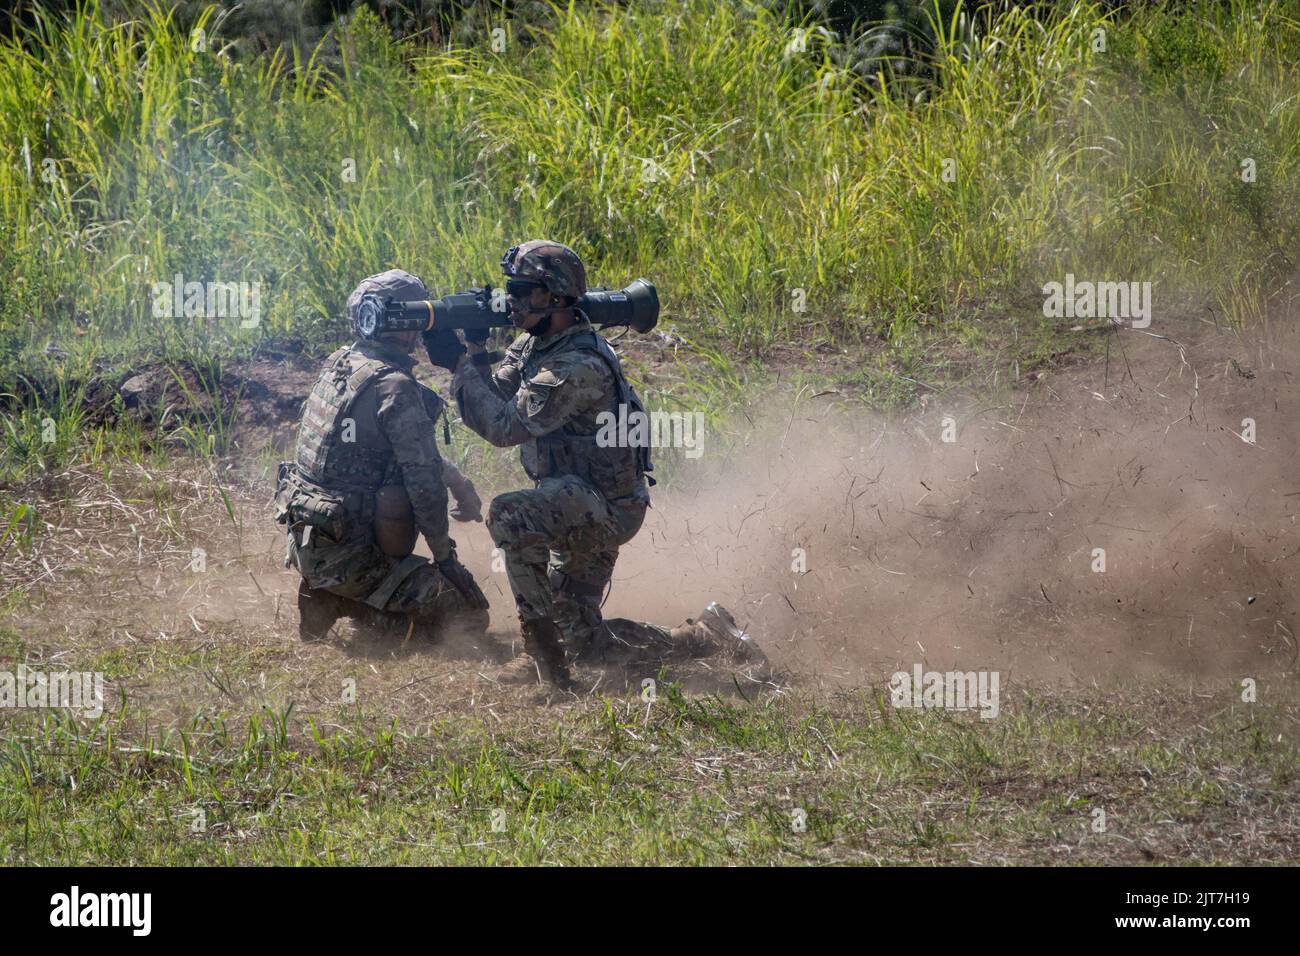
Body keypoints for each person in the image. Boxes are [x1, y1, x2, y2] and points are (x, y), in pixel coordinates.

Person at [423, 240, 763, 688]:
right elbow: (499, 395)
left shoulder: (576, 365)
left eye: (524, 290)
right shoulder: (534, 345)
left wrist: (459, 366)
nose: (512, 300)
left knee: (509, 512)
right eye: (511, 288)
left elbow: (504, 428)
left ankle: (546, 661)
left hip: (604, 509)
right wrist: (474, 353)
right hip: (577, 497)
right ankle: (702, 635)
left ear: (556, 299)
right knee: (587, 642)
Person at [275, 269, 490, 641]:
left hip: (311, 542)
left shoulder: (342, 363)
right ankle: (356, 604)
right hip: (352, 553)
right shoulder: (395, 387)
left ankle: (326, 588)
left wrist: (456, 479)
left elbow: (394, 455)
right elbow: (423, 484)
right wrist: (445, 560)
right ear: (408, 323)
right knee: (469, 617)